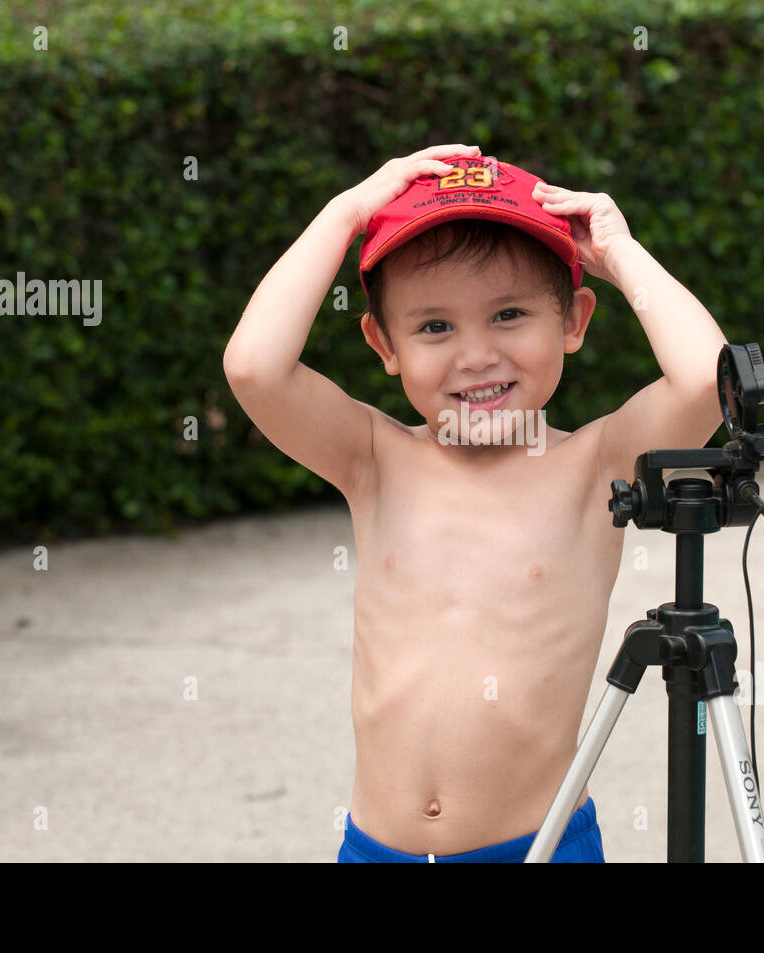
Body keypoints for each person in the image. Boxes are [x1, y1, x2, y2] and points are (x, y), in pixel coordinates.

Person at [223, 143, 729, 862]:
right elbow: (254, 366)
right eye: (434, 326)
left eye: (510, 314)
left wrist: (619, 254)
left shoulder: (594, 466)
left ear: (574, 321)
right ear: (383, 343)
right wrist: (345, 215)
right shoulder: (374, 458)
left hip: (540, 846)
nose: (476, 355)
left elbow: (709, 382)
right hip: (376, 849)